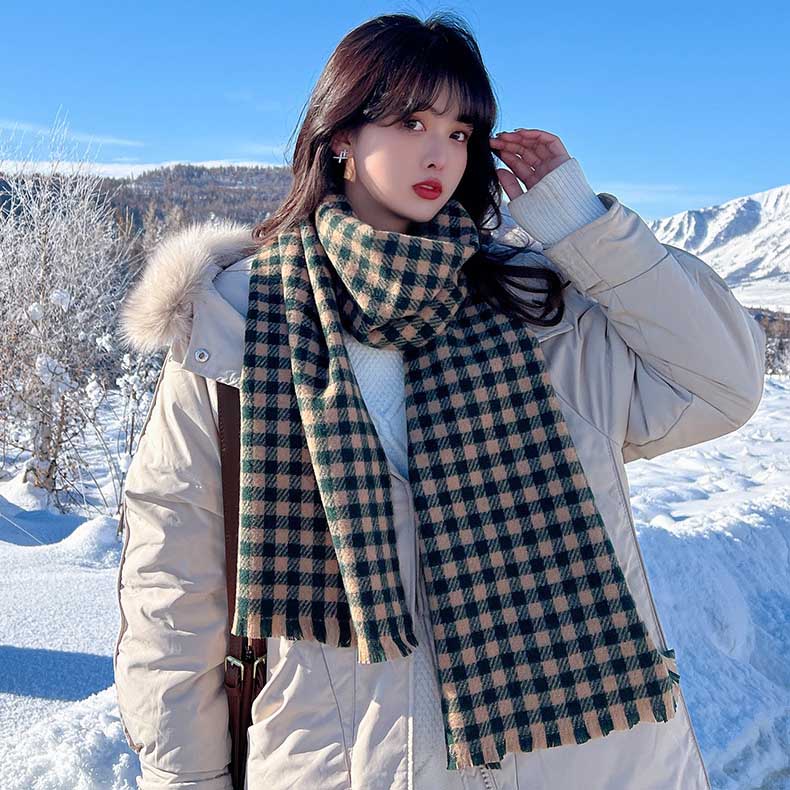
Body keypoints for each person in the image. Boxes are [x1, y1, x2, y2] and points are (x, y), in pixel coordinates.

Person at [113, 12, 765, 790]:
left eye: (460, 132)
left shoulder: (540, 312)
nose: (439, 153)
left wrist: (582, 225)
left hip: (585, 760)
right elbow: (174, 594)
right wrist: (185, 778)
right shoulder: (235, 328)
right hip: (343, 765)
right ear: (341, 135)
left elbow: (721, 383)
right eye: (412, 121)